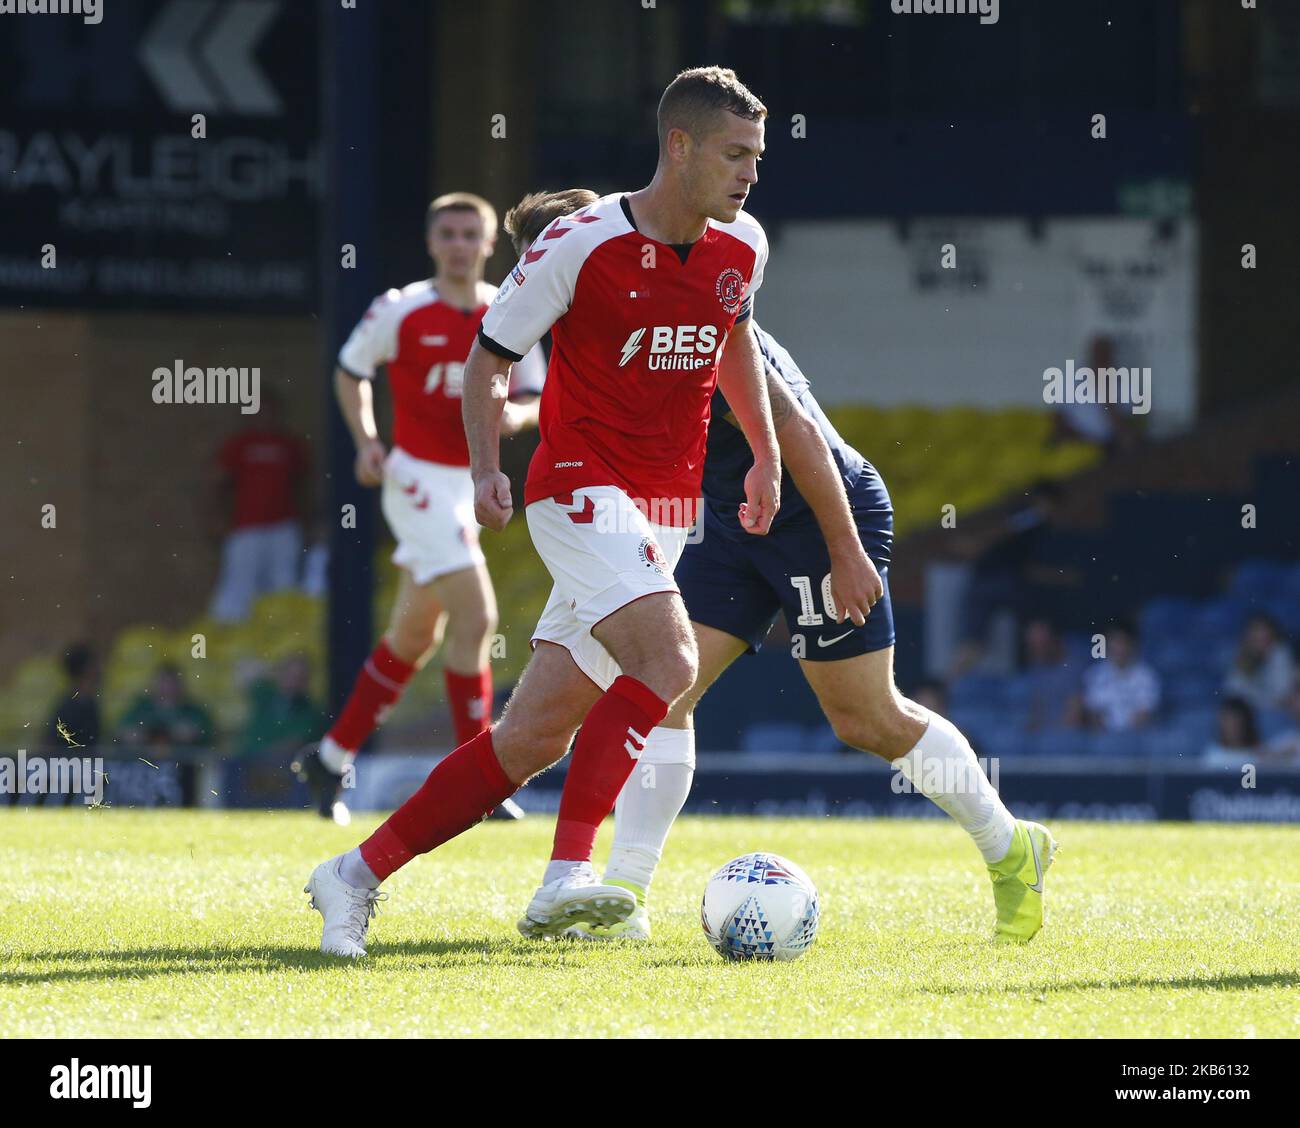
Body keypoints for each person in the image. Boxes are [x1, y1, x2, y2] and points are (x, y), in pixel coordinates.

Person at [303, 66, 818, 957]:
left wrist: (767, 455)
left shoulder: (744, 248)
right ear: (679, 146)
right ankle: (567, 875)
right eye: (736, 154)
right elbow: (489, 356)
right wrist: (482, 470)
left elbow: (732, 340)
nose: (750, 174)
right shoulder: (580, 243)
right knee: (670, 659)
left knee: (531, 736)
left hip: (662, 508)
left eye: (759, 158)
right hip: (577, 487)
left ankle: (351, 875)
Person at [500, 192, 1055, 947]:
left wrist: (845, 548)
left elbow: (797, 435)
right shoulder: (605, 325)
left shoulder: (686, 307)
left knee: (864, 718)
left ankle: (1010, 847)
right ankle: (624, 894)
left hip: (813, 512)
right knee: (664, 687)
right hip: (724, 520)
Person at [293, 192, 546, 823]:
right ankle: (479, 781)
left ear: (489, 245)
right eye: (448, 234)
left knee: (413, 636)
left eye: (471, 234)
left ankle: (327, 759)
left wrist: (517, 413)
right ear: (432, 243)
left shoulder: (509, 307)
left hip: (469, 485)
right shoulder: (402, 309)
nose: (459, 245)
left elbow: (539, 393)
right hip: (416, 481)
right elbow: (350, 370)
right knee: (480, 616)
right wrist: (366, 440)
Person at [208, 387, 310, 623]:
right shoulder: (239, 445)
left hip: (284, 526)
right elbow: (216, 485)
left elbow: (302, 487)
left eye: (270, 410)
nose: (265, 415)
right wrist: (217, 520)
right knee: (239, 585)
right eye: (259, 409)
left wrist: (305, 522)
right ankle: (228, 638)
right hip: (246, 526)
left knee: (284, 586)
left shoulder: (291, 446)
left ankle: (281, 639)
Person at [241, 655, 326, 760]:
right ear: (280, 674)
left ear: (307, 682)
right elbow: (245, 672)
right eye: (290, 676)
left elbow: (294, 744)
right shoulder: (265, 695)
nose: (294, 683)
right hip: (246, 762)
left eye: (300, 678)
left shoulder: (312, 713)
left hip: (277, 766)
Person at [1080, 621, 1160, 731]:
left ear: (1132, 645)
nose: (1117, 647)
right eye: (1113, 642)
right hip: (1103, 739)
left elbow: (1144, 714)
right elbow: (1094, 714)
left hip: (1138, 738)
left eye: (1122, 642)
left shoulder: (1147, 676)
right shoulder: (1094, 674)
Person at [116, 664, 214, 753]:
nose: (167, 688)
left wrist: (192, 735)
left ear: (181, 686)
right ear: (153, 684)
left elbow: (208, 735)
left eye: (171, 683)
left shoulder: (194, 711)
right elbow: (122, 731)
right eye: (163, 682)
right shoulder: (139, 709)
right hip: (143, 766)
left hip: (185, 767)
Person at [1224, 613, 1296, 713]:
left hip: (1281, 715)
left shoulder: (1282, 654)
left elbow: (1281, 694)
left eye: (1265, 637)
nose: (1261, 642)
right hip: (1254, 715)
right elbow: (1234, 694)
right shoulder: (1241, 660)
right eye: (1256, 638)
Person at [1201, 696, 1262, 767]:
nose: (1232, 727)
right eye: (1228, 722)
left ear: (1246, 723)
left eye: (1236, 722)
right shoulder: (1211, 757)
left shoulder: (1260, 757)